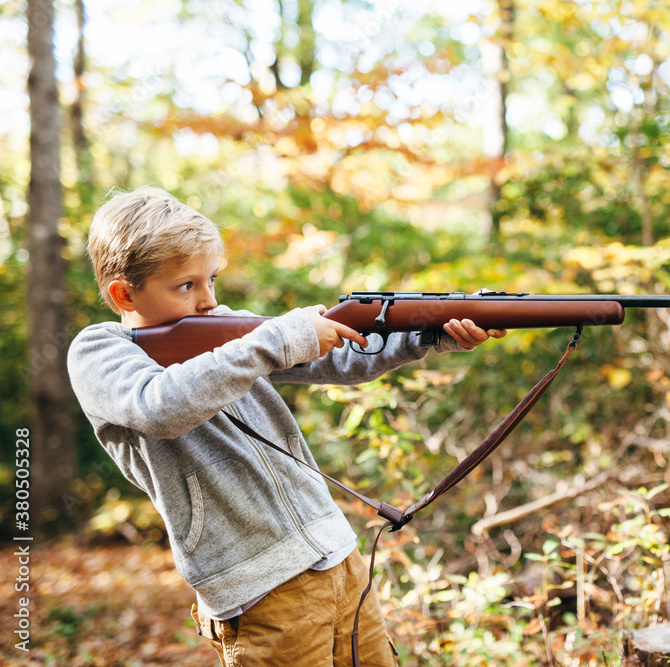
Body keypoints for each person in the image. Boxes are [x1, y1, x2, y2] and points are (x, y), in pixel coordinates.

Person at [67, 186, 505, 666]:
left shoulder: (226, 331)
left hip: (340, 560)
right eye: (186, 285)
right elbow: (160, 407)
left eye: (212, 278)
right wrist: (274, 339)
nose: (210, 300)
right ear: (123, 293)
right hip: (259, 592)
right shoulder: (98, 352)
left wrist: (431, 332)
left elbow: (343, 357)